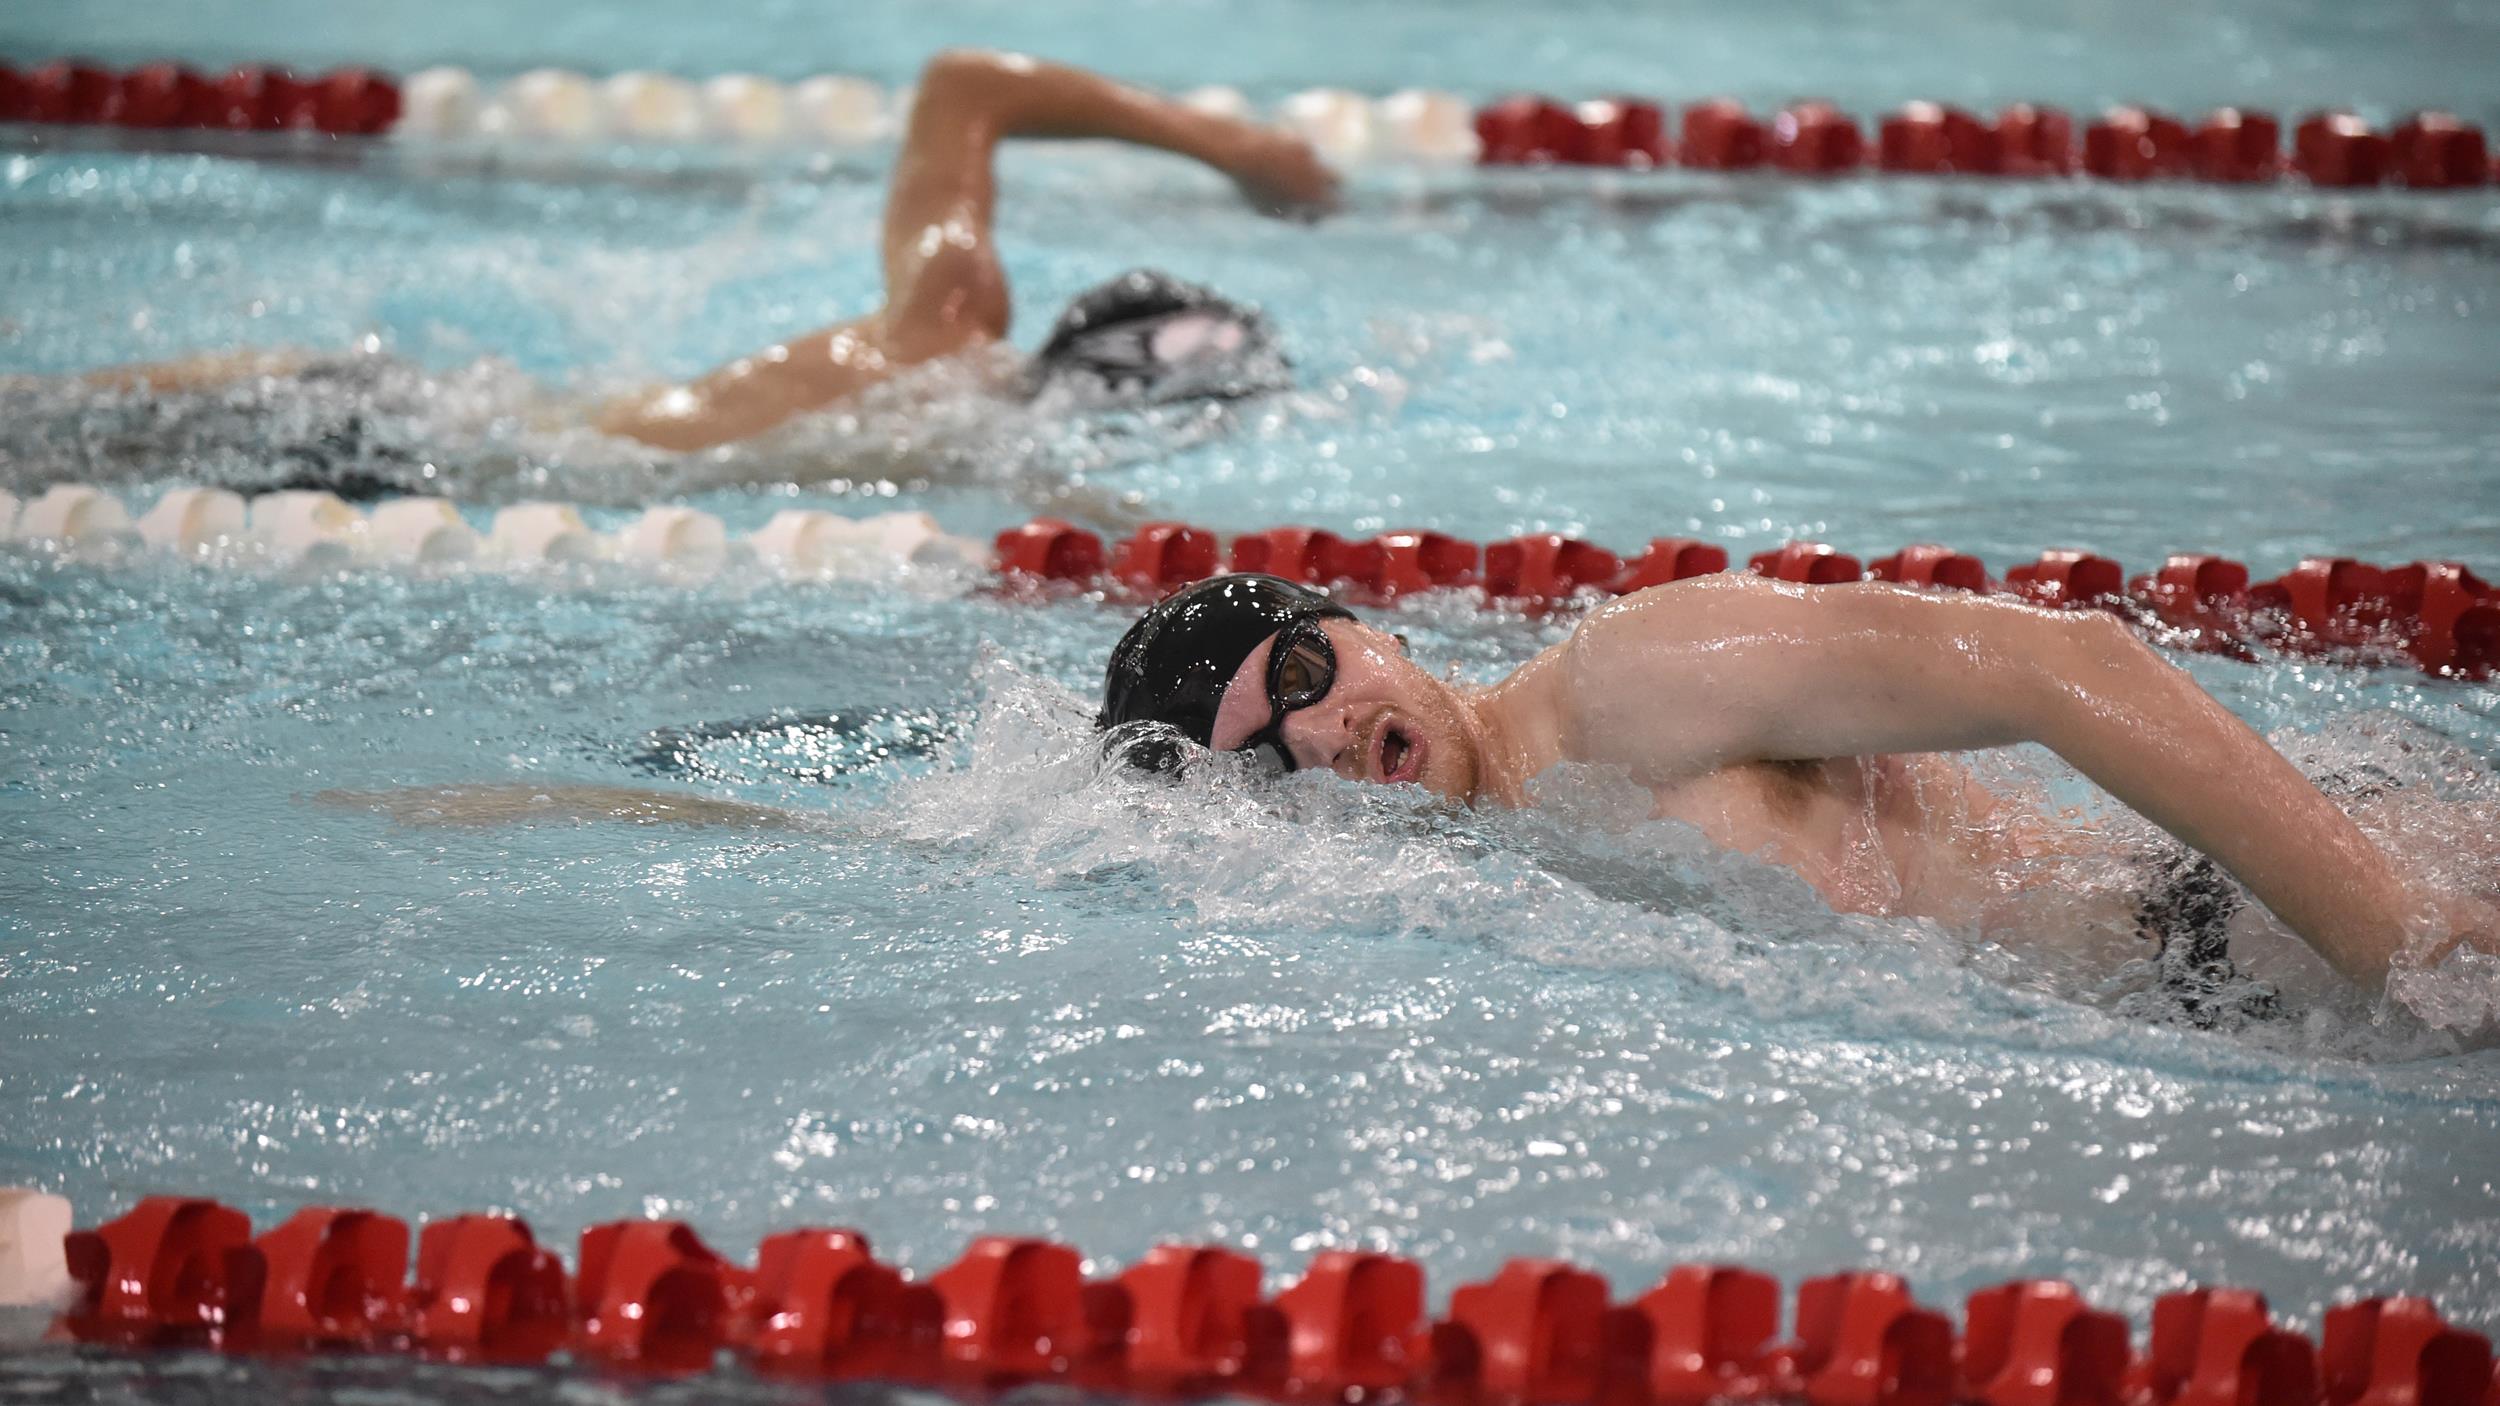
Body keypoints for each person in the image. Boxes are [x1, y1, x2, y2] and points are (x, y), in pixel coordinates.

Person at [1097, 570, 2500, 1003]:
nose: (1326, 733)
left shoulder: (1631, 682)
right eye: (1270, 766)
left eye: (1300, 673)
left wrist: (2392, 926)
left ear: (1359, 624)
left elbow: (2075, 664)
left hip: (2274, 912)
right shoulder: (1516, 868)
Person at [24, 51, 1337, 490]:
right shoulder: (948, 334)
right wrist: (1228, 143)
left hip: (421, 435)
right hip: (389, 428)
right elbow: (966, 81)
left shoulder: (971, 408)